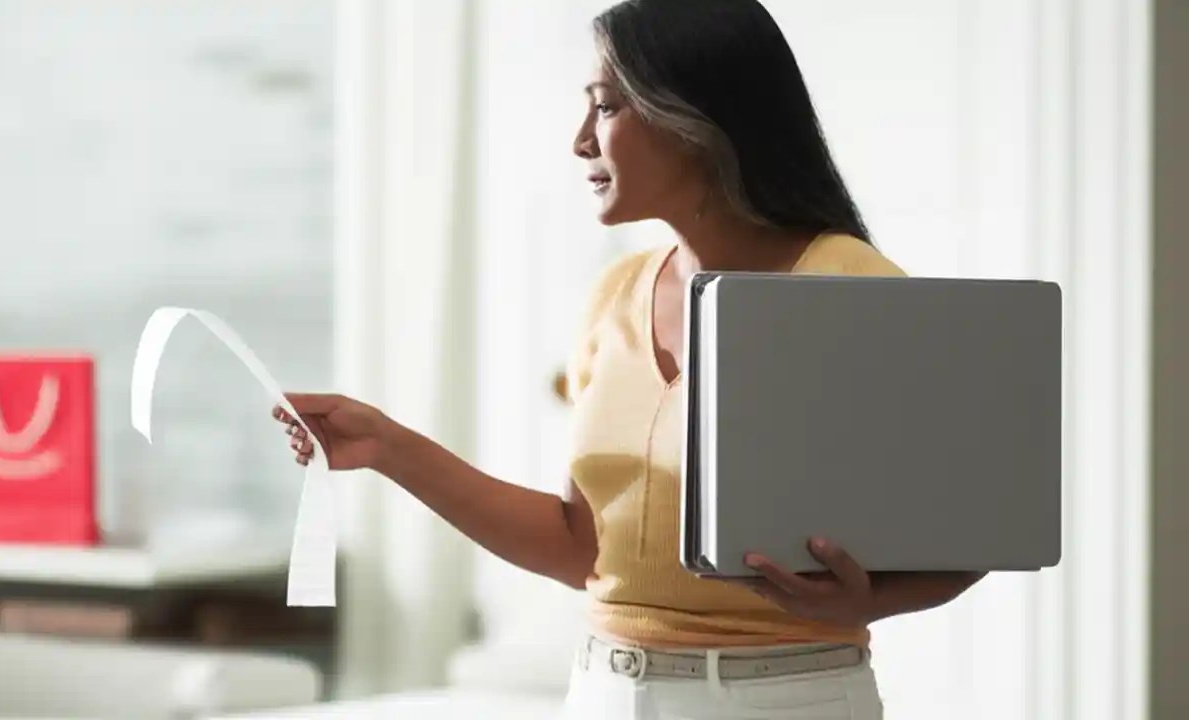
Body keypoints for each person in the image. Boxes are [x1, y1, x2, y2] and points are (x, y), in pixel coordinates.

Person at [273, 1, 985, 717]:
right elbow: (585, 548)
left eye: (606, 108)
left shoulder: (849, 284)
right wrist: (388, 447)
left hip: (787, 696)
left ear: (696, 119)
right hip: (604, 691)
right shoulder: (616, 295)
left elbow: (975, 527)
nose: (582, 140)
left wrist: (876, 599)